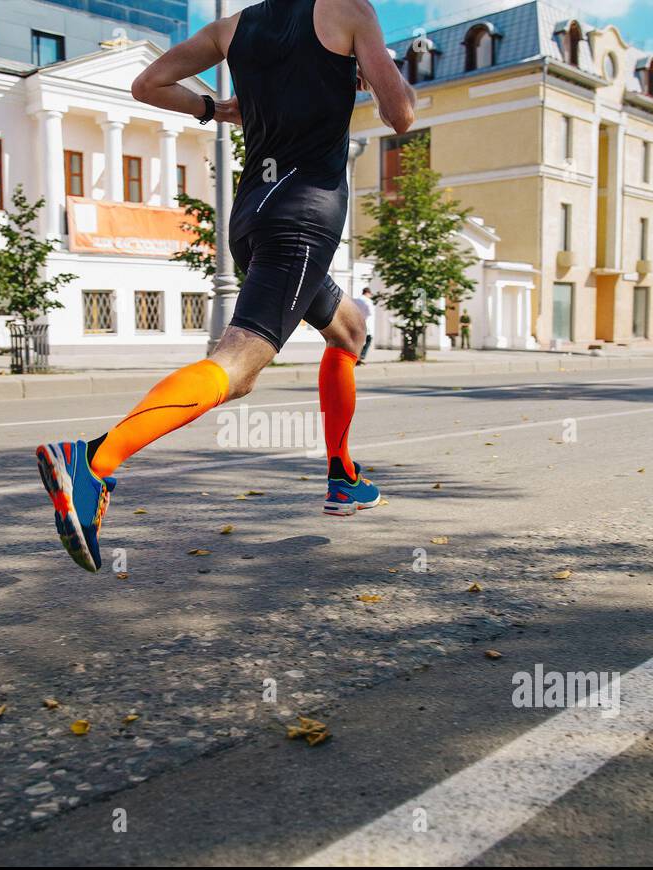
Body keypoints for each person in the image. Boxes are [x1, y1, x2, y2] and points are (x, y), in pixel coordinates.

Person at [35, 0, 417, 572]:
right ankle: (93, 460)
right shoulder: (350, 12)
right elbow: (402, 114)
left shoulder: (230, 27)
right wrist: (372, 68)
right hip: (305, 219)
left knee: (350, 332)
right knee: (237, 366)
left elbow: (148, 84)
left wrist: (214, 108)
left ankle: (342, 473)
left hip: (253, 217)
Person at [353, 286, 375, 363]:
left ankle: (356, 356)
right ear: (367, 293)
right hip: (366, 324)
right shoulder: (368, 301)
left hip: (356, 323)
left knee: (358, 341)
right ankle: (361, 356)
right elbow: (370, 313)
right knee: (368, 340)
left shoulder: (355, 300)